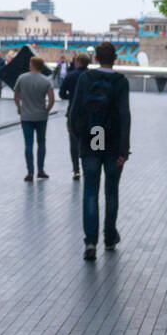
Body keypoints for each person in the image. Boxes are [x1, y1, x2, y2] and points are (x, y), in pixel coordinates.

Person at [68, 41, 131, 261]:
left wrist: (80, 139)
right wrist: (124, 148)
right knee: (111, 191)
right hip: (113, 142)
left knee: (90, 191)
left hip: (92, 139)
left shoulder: (86, 79)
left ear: (95, 58)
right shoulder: (121, 81)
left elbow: (74, 112)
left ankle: (91, 243)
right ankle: (110, 237)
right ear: (114, 59)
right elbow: (125, 116)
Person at [14, 55, 55, 181]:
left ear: (32, 64)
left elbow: (16, 94)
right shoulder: (46, 80)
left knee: (28, 144)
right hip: (41, 116)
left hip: (26, 116)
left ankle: (30, 172)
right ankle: (41, 170)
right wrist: (47, 110)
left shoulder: (22, 78)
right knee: (41, 143)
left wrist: (19, 107)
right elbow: (52, 99)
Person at [59, 53, 89, 180]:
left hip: (73, 113)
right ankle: (88, 167)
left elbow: (61, 93)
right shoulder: (91, 76)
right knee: (89, 141)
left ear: (77, 62)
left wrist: (71, 98)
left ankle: (76, 170)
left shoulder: (70, 76)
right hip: (89, 113)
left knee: (73, 142)